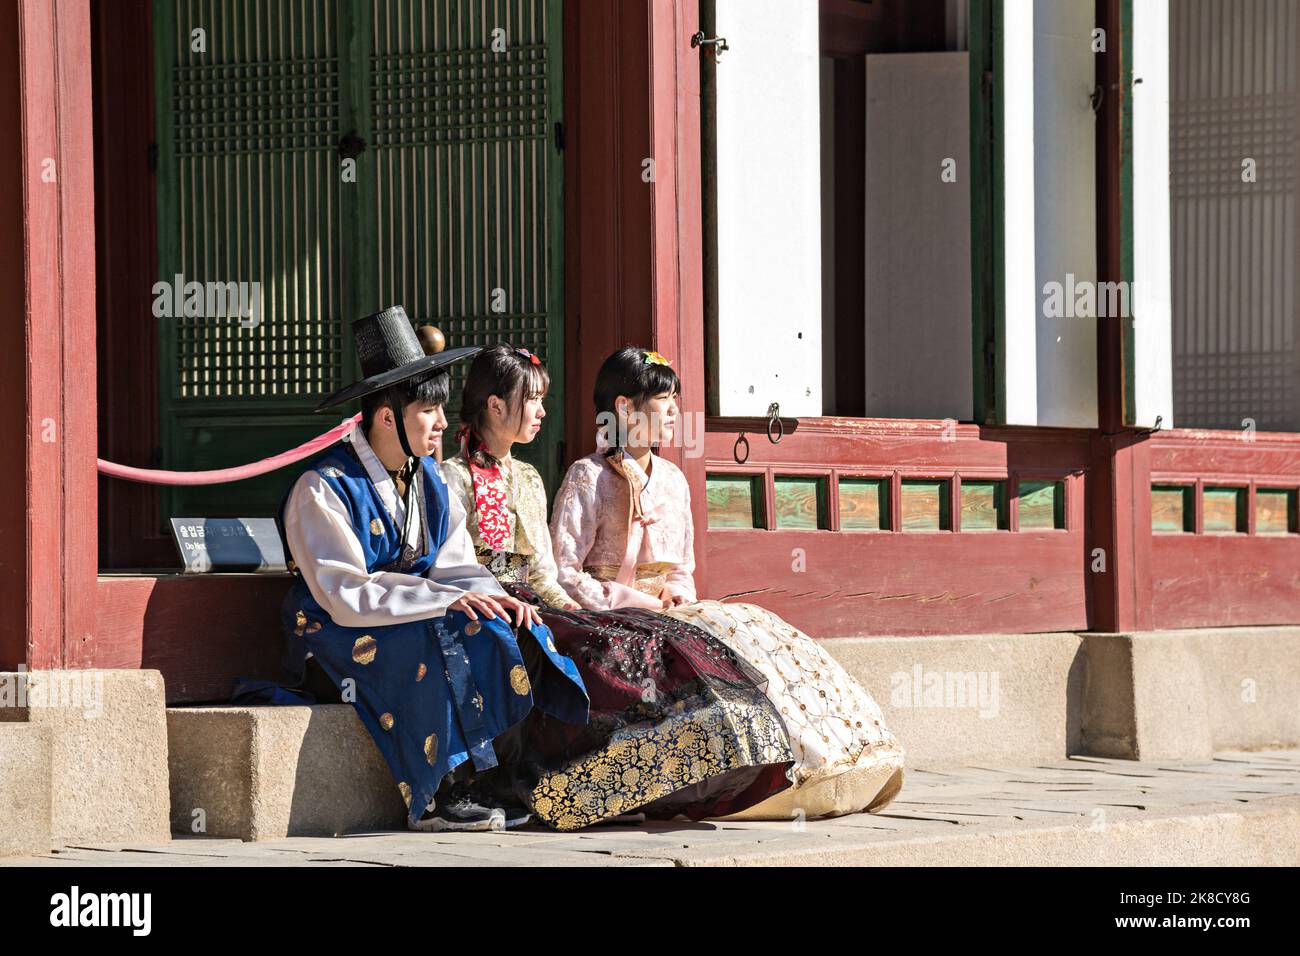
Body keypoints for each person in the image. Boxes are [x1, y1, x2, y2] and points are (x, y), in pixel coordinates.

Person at [233, 307, 589, 833]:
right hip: (332, 638)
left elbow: (455, 565)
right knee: (442, 632)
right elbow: (345, 593)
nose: (444, 423)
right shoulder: (324, 487)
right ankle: (438, 796)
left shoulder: (429, 482)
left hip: (408, 612)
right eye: (429, 411)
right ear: (386, 416)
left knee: (510, 622)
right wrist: (440, 601)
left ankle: (495, 776)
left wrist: (494, 596)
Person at [440, 345, 794, 830]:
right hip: (488, 601)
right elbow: (457, 565)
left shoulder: (527, 475)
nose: (544, 412)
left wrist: (572, 611)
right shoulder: (452, 477)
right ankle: (562, 782)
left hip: (543, 601)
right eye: (534, 400)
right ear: (496, 406)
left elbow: (544, 572)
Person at [549, 346, 905, 820]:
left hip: (669, 614)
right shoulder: (587, 477)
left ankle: (834, 755)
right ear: (624, 408)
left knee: (753, 628)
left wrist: (678, 596)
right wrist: (635, 601)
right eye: (663, 400)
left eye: (677, 399)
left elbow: (683, 568)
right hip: (611, 618)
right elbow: (564, 573)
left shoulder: (673, 479)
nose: (675, 411)